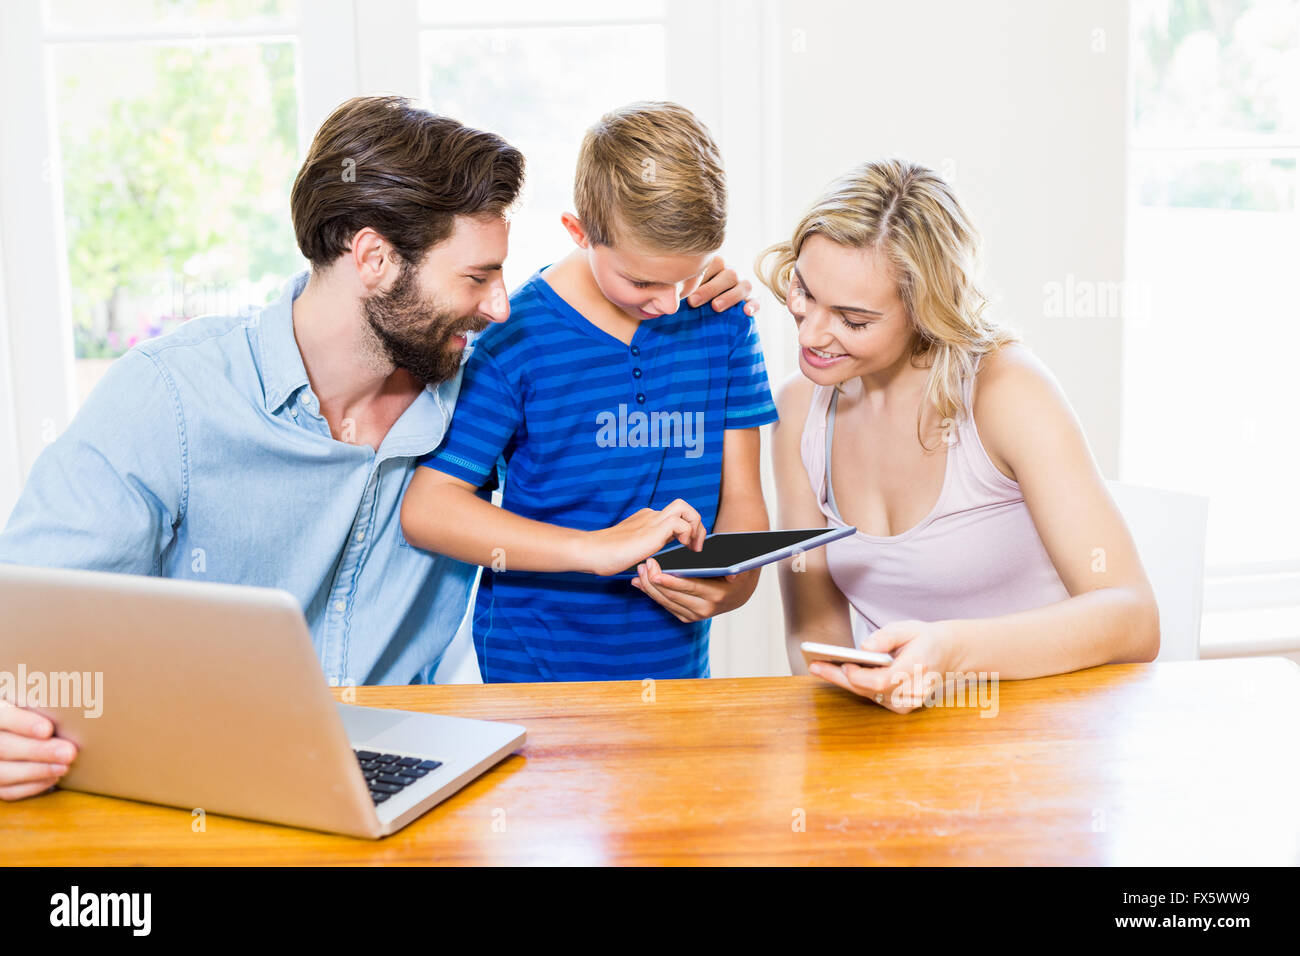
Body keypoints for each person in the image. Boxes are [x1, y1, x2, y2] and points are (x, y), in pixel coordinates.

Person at [0, 95, 754, 801]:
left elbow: (606, 386)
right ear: (372, 258)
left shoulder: (467, 386)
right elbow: (25, 623)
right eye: (478, 277)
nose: (500, 305)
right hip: (198, 774)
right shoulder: (169, 397)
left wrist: (699, 290)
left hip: (403, 771)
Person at [762, 159, 1159, 713]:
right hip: (912, 737)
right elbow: (817, 641)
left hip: (1051, 733)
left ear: (924, 311)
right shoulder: (799, 411)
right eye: (804, 292)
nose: (810, 332)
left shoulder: (1006, 392)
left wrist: (952, 652)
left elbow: (1133, 616)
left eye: (853, 320)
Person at [401, 102, 777, 681]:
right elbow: (430, 509)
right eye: (643, 281)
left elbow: (744, 497)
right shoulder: (515, 338)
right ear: (579, 232)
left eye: (684, 276)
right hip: (535, 673)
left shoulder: (723, 319)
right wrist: (593, 549)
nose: (669, 304)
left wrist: (736, 586)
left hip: (673, 669)